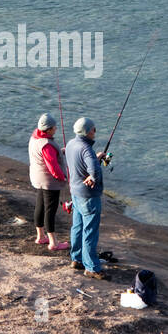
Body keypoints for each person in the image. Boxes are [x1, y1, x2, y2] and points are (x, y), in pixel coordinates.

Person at [65, 117, 109, 279]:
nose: (95, 131)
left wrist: (96, 159)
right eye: (93, 129)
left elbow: (85, 164)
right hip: (89, 197)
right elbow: (94, 171)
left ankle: (76, 259)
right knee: (90, 231)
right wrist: (93, 176)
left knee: (77, 227)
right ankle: (91, 267)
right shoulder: (86, 149)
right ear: (87, 132)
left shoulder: (71, 144)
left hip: (75, 193)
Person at [28, 113, 69, 251]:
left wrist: (60, 152)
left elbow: (44, 156)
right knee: (50, 211)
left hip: (37, 178)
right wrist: (62, 177)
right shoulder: (47, 144)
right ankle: (54, 243)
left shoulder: (35, 137)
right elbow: (52, 165)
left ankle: (40, 236)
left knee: (40, 206)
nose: (56, 129)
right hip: (49, 182)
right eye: (54, 127)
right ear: (49, 129)